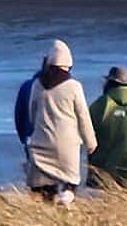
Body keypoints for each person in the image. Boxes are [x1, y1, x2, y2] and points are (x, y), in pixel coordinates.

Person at [26, 39, 98, 206]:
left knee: (42, 187)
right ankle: (66, 200)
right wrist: (91, 142)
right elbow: (83, 117)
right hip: (67, 145)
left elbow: (32, 113)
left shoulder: (38, 84)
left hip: (41, 143)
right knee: (69, 182)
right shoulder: (74, 86)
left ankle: (46, 215)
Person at [87, 66, 127, 190]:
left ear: (109, 82)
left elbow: (87, 124)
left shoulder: (103, 103)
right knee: (122, 187)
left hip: (103, 154)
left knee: (101, 187)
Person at [14, 57, 44, 150]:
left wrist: (22, 138)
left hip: (30, 138)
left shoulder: (27, 86)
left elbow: (18, 115)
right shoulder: (65, 88)